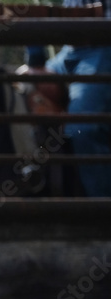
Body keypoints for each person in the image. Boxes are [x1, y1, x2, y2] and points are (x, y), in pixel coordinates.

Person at [44, 1, 111, 196]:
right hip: (70, 52)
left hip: (105, 47)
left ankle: (101, 213)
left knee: (83, 126)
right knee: (22, 91)